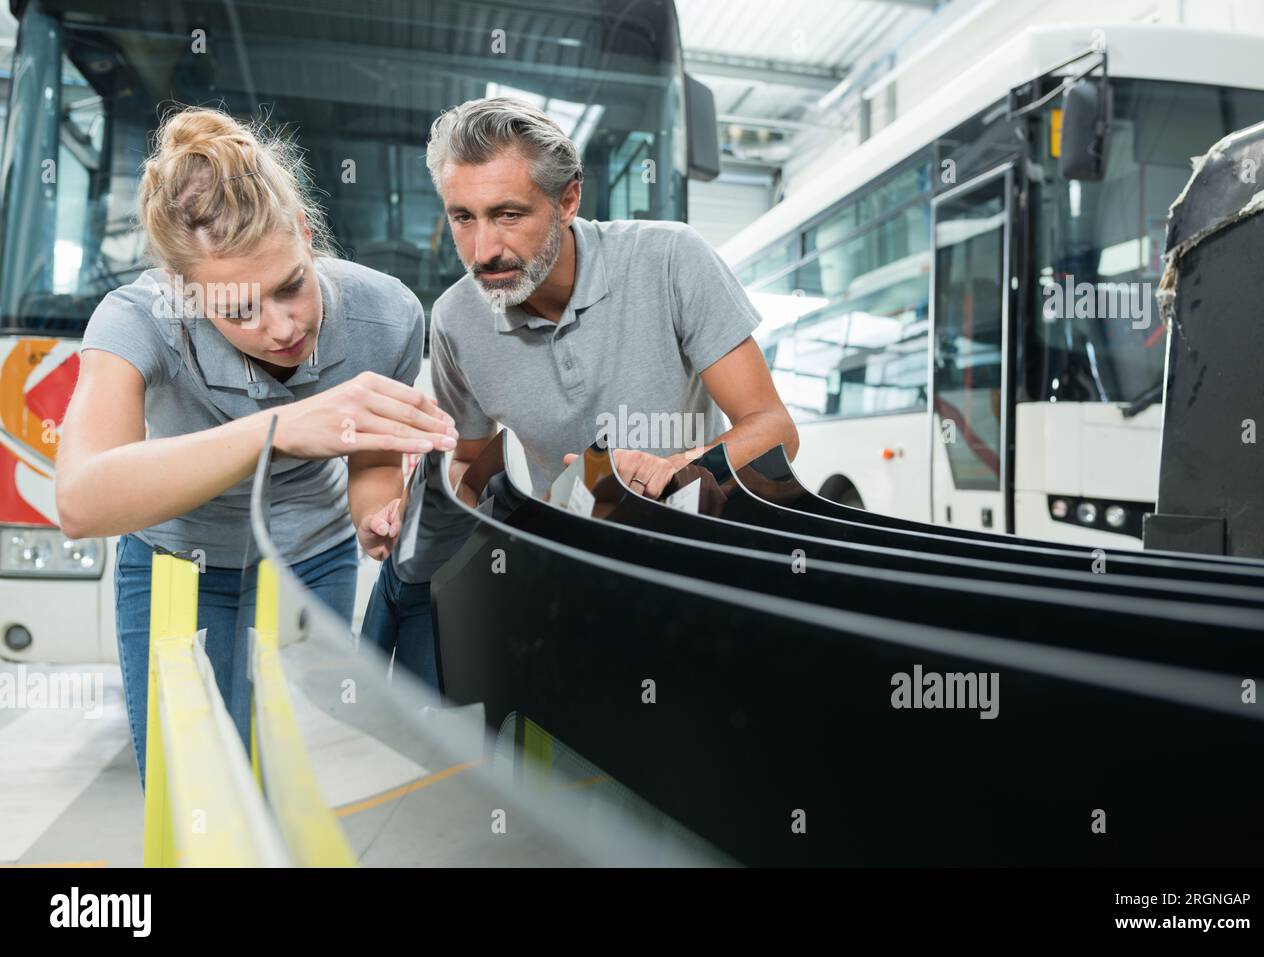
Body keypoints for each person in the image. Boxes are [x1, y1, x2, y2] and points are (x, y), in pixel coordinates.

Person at [56, 106, 458, 787]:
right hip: (174, 566)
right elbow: (81, 501)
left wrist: (379, 516)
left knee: (297, 783)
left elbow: (370, 463)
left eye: (291, 286)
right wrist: (274, 431)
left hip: (311, 560)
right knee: (193, 790)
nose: (281, 327)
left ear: (305, 233)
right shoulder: (137, 320)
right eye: (239, 310)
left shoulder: (387, 314)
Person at [360, 96, 798, 690]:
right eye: (462, 217)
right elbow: (468, 457)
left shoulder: (671, 259)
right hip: (564, 573)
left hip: (686, 562)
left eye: (508, 214)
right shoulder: (457, 318)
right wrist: (425, 516)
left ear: (568, 200)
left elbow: (773, 427)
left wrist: (672, 471)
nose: (483, 250)